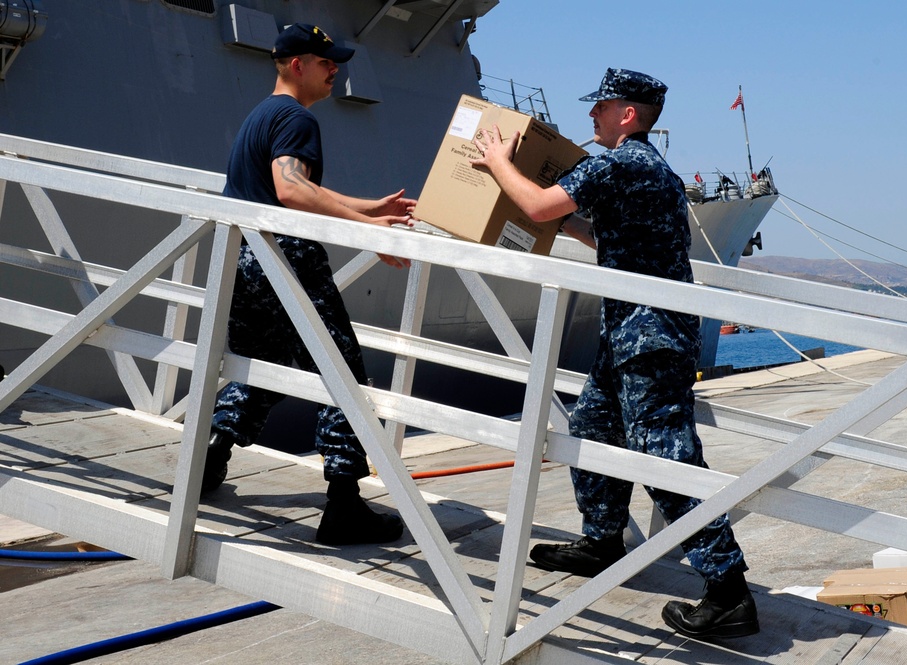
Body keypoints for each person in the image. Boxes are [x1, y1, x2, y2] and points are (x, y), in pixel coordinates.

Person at [470, 68, 758, 639]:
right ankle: (602, 542)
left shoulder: (622, 161)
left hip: (648, 339)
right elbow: (609, 239)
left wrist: (500, 163)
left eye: (600, 107)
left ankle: (728, 591)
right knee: (593, 429)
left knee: (664, 459)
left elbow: (537, 207)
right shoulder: (651, 171)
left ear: (627, 113)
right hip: (632, 334)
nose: (591, 116)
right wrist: (568, 223)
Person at [202, 23, 415, 548]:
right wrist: (369, 230)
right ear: (298, 65)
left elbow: (287, 187)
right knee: (341, 372)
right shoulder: (297, 117)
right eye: (326, 62)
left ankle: (209, 457)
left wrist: (369, 207)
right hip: (287, 257)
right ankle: (343, 505)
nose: (335, 68)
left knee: (264, 370)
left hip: (249, 259)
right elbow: (291, 190)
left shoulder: (262, 115)